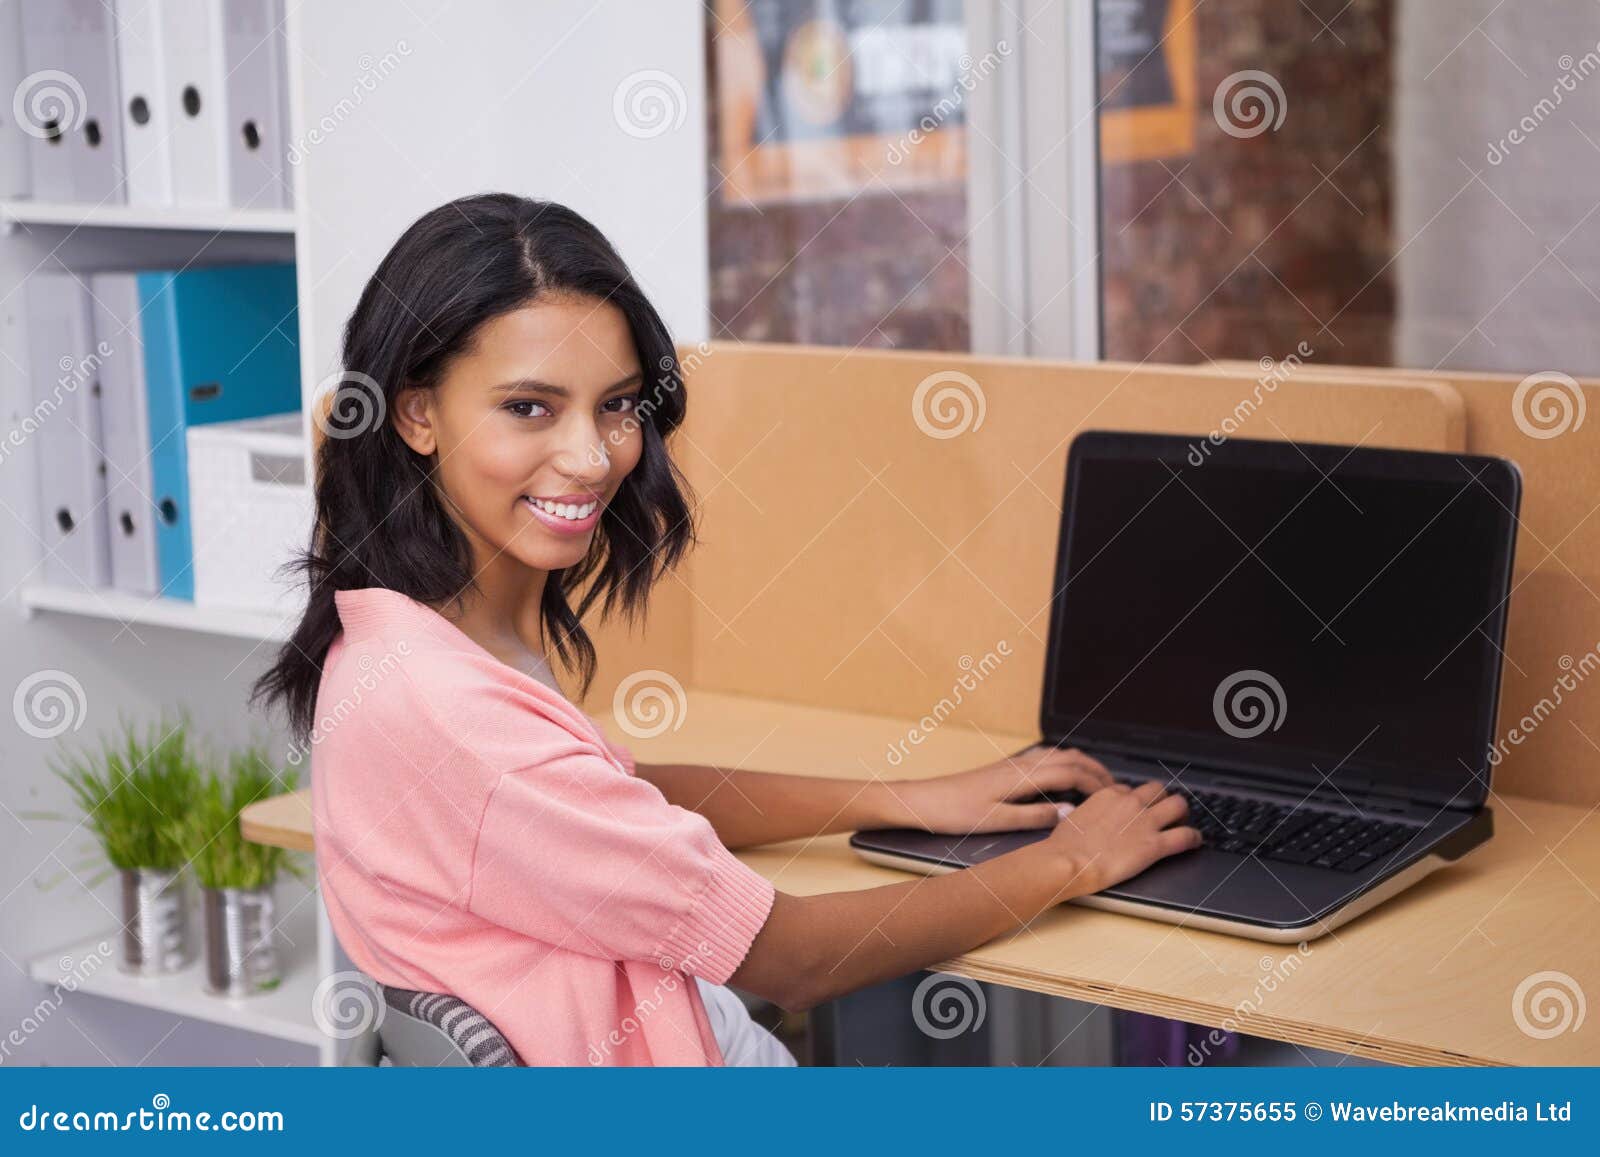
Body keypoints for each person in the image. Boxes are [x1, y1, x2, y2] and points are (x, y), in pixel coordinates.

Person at [255, 193, 1200, 1067]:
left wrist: (908, 796)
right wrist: (1072, 859)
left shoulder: (399, 638)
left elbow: (613, 799)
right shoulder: (460, 720)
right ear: (416, 411)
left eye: (616, 405)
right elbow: (798, 959)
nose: (591, 457)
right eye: (528, 407)